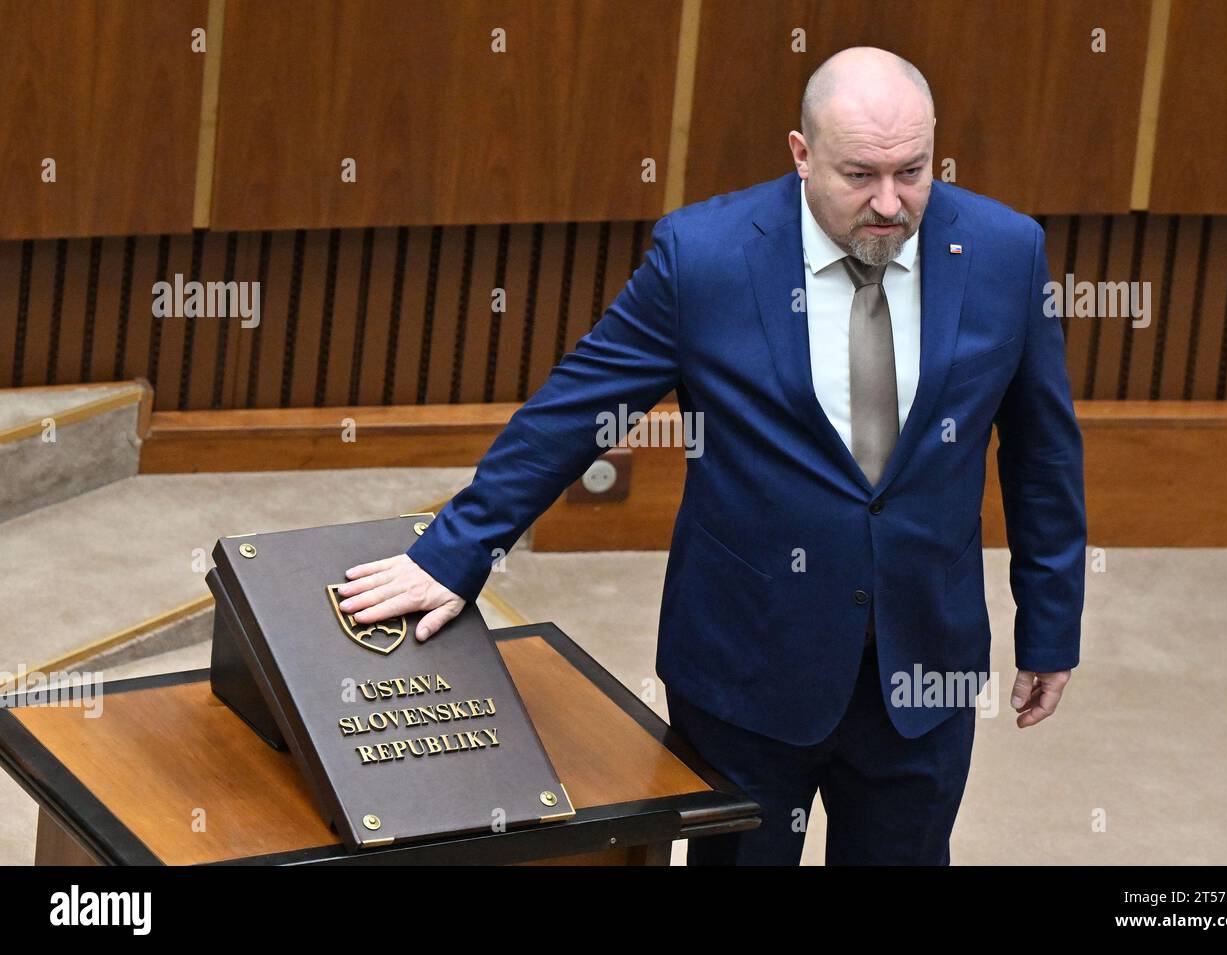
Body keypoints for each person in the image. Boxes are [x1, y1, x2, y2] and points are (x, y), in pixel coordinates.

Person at [335, 46, 1086, 865]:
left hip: (923, 672)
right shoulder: (705, 256)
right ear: (800, 154)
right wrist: (458, 547)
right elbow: (578, 408)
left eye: (912, 171)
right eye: (860, 173)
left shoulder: (1005, 253)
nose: (889, 202)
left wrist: (1050, 624)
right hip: (747, 669)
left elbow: (1043, 454)